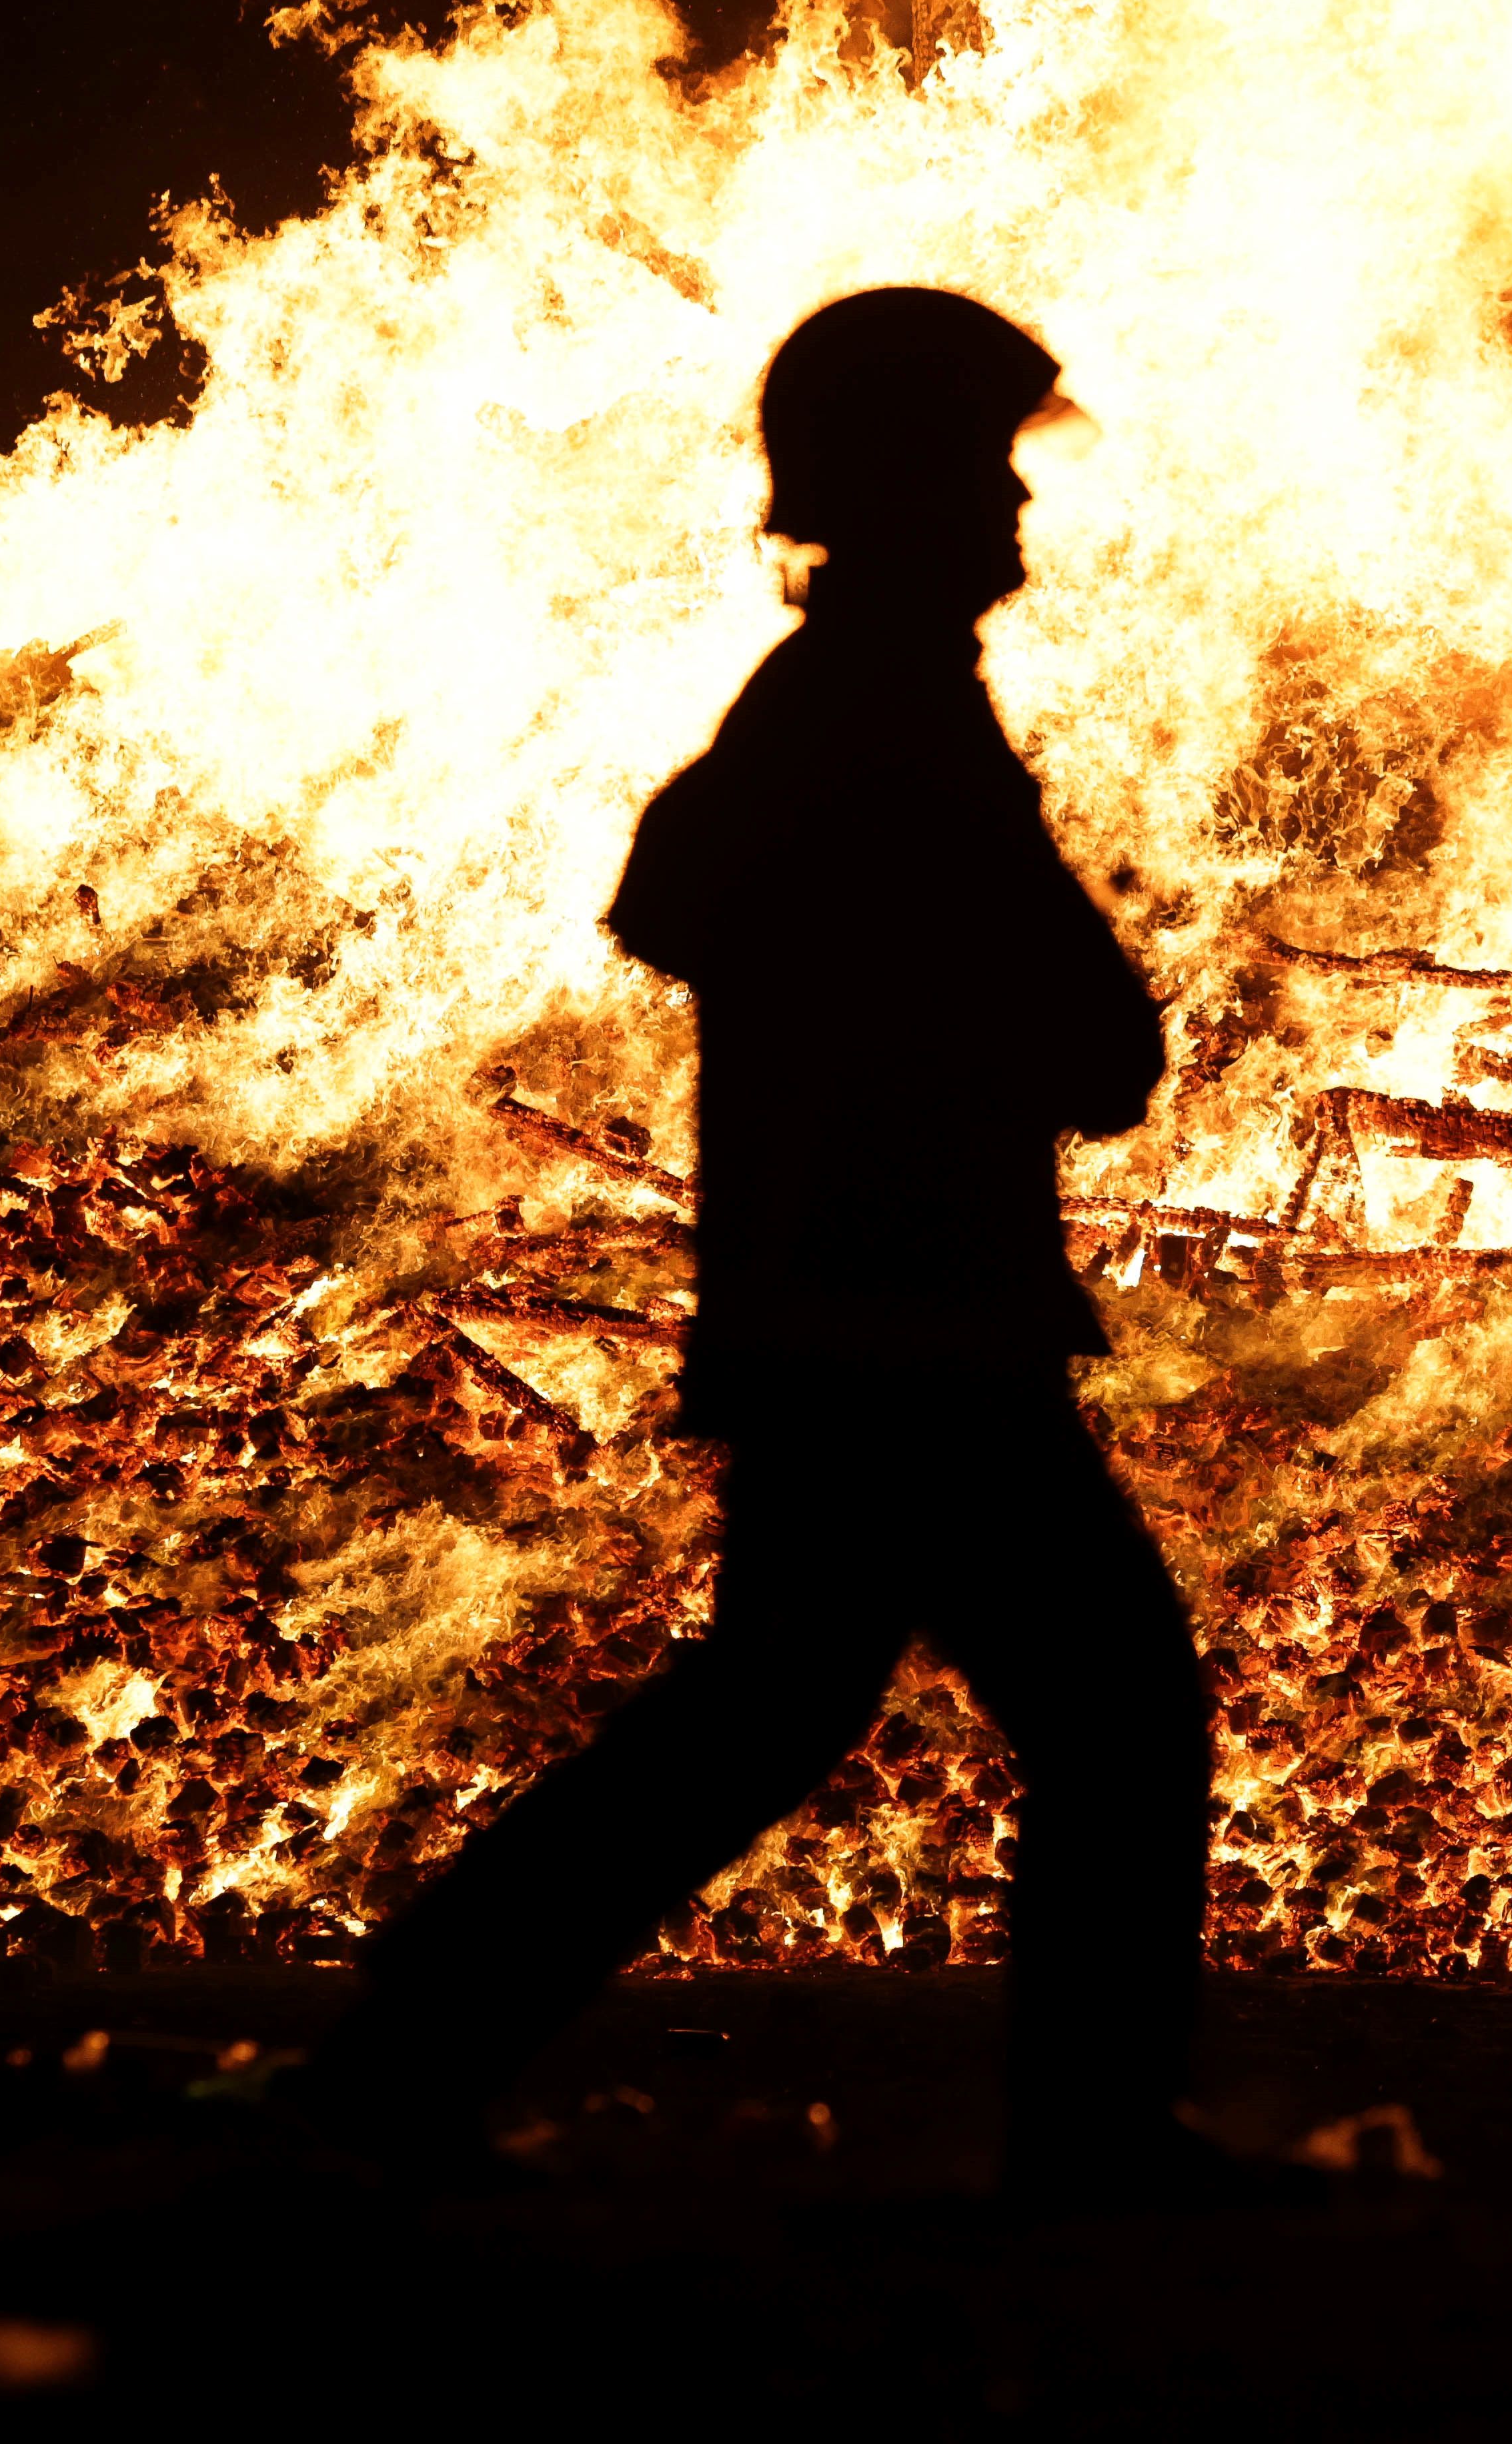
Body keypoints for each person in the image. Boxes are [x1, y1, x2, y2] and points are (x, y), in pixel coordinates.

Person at [306, 287, 1254, 2209]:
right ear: (898, 481)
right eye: (979, 463)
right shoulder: (876, 712)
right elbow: (1077, 1030)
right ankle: (1093, 2149)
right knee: (1113, 1708)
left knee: (769, 1711)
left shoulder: (858, 701)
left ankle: (398, 2058)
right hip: (904, 1318)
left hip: (860, 1307)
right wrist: (968, 1017)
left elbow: (693, 897)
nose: (1012, 501)